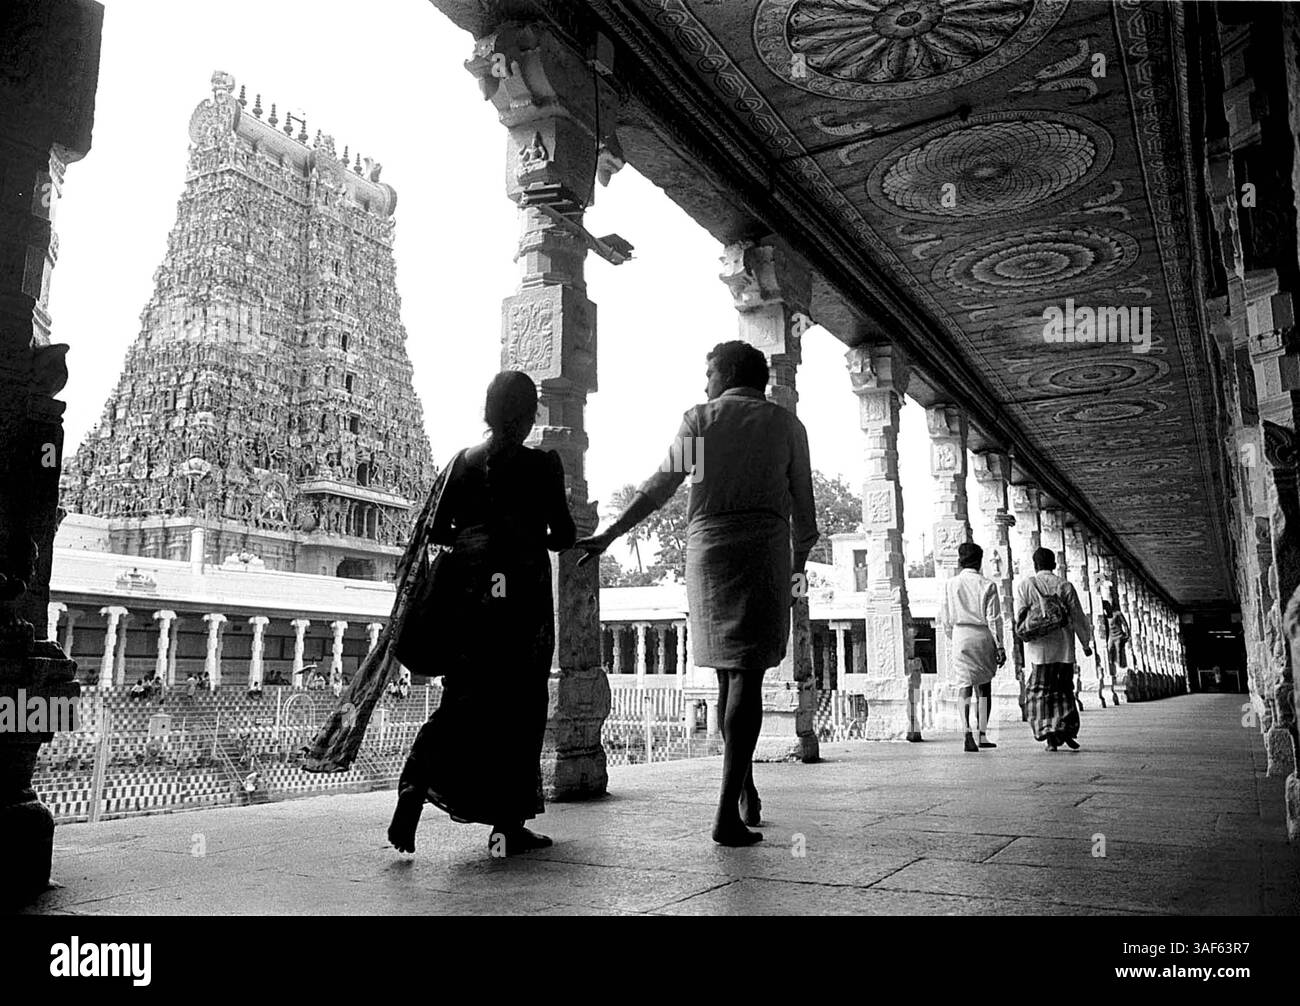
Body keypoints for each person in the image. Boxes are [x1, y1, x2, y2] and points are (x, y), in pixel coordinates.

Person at [576, 341, 818, 846]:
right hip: (764, 552)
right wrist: (795, 575)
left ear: (727, 373)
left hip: (709, 553)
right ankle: (728, 810)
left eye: (708, 372)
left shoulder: (702, 421)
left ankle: (743, 791)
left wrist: (611, 534)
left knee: (731, 675)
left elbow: (661, 487)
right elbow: (807, 520)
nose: (705, 381)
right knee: (746, 676)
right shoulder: (787, 427)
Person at [387, 371, 575, 857]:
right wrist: (524, 534)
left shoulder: (460, 464)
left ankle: (417, 782)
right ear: (531, 414)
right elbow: (564, 534)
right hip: (520, 600)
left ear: (487, 412)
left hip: (469, 596)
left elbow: (437, 530)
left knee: (464, 700)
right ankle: (507, 826)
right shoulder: (542, 466)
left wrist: (476, 539)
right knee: (518, 707)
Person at [1015, 547, 1093, 751]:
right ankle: (1065, 729)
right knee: (1064, 690)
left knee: (1040, 692)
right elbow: (1077, 616)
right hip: (1064, 647)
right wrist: (1085, 643)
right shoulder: (1064, 585)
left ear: (1035, 565)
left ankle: (1048, 732)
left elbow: (1020, 617)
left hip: (1039, 650)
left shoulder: (1026, 585)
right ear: (1054, 564)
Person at [937, 542, 1005, 752]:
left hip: (960, 635)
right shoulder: (988, 585)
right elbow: (994, 618)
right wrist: (1000, 646)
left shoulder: (950, 584)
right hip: (982, 635)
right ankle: (982, 734)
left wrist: (954, 636)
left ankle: (967, 732)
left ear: (960, 561)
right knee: (984, 686)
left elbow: (945, 617)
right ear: (979, 561)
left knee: (963, 685)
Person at [1104, 599, 1128, 706]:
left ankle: (1119, 669)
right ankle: (1110, 670)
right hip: (1111, 637)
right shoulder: (1105, 616)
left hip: (1118, 635)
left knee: (1118, 651)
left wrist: (1127, 634)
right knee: (1108, 652)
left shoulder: (1117, 614)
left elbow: (1125, 624)